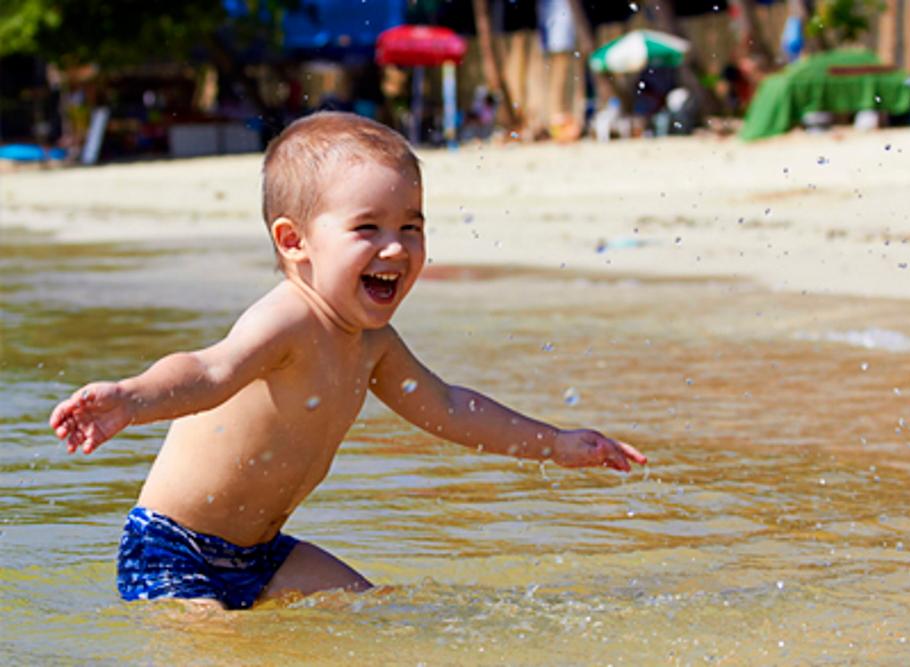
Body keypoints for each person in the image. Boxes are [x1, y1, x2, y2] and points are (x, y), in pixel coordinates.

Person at [49, 112, 648, 611]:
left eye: (411, 226)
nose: (396, 247)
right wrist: (129, 398)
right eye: (368, 227)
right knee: (220, 646)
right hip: (175, 552)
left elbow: (447, 408)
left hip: (265, 556)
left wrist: (557, 443)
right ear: (294, 242)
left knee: (377, 611)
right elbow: (208, 372)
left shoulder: (372, 343)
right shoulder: (285, 320)